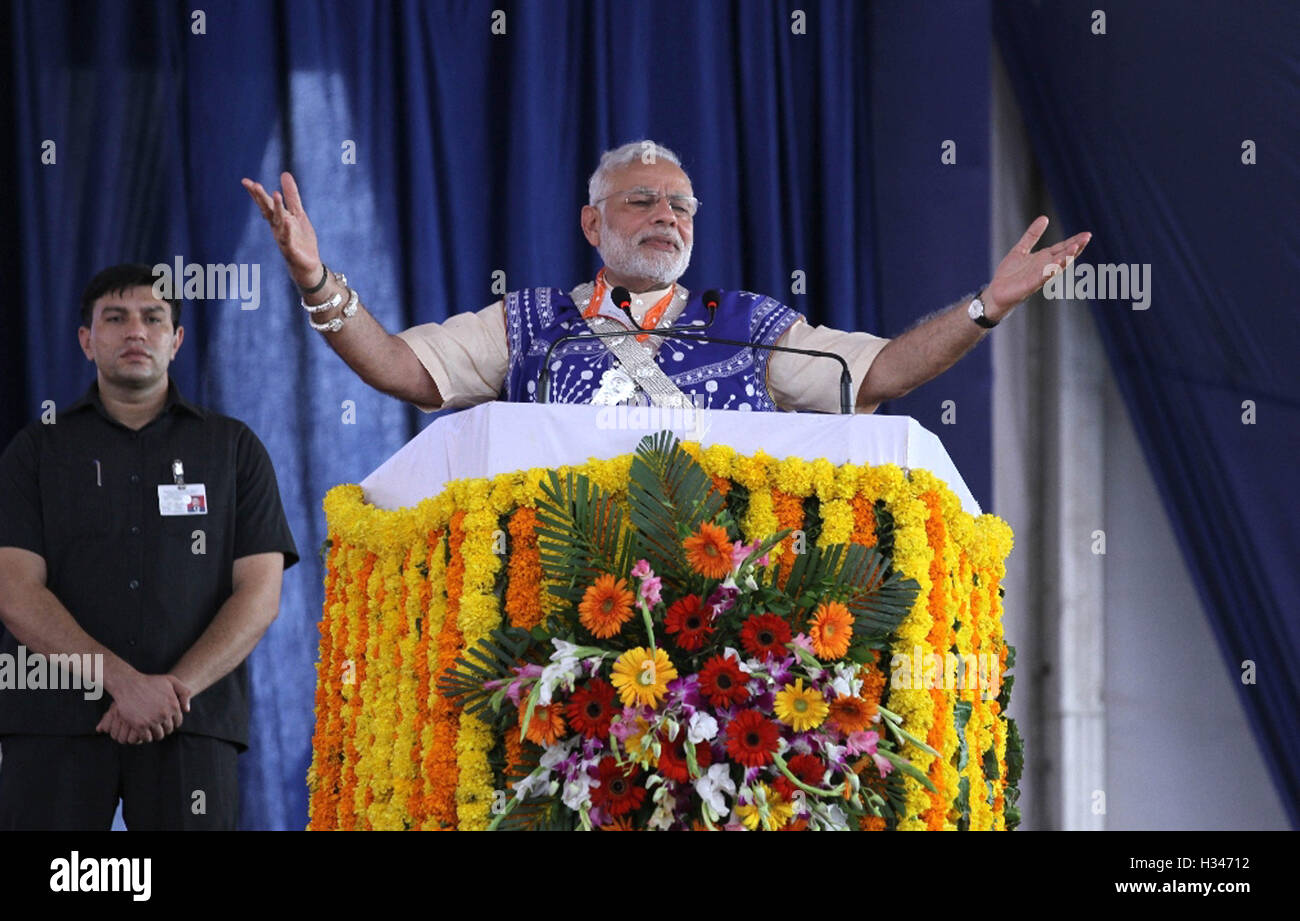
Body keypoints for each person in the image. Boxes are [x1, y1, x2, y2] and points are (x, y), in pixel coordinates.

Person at [242, 140, 1090, 414]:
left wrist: (986, 304)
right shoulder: (532, 320)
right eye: (641, 201)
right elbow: (397, 368)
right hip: (567, 620)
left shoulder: (747, 322)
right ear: (592, 222)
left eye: (680, 205)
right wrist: (318, 278)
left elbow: (882, 371)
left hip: (725, 628)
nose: (665, 217)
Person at [0, 264, 299, 830]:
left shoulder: (233, 450)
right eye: (115, 318)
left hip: (191, 722)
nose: (135, 331)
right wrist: (123, 684)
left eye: (153, 318)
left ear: (176, 339)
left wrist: (168, 694)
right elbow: (15, 593)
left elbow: (260, 596)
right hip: (55, 723)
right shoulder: (35, 452)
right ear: (87, 340)